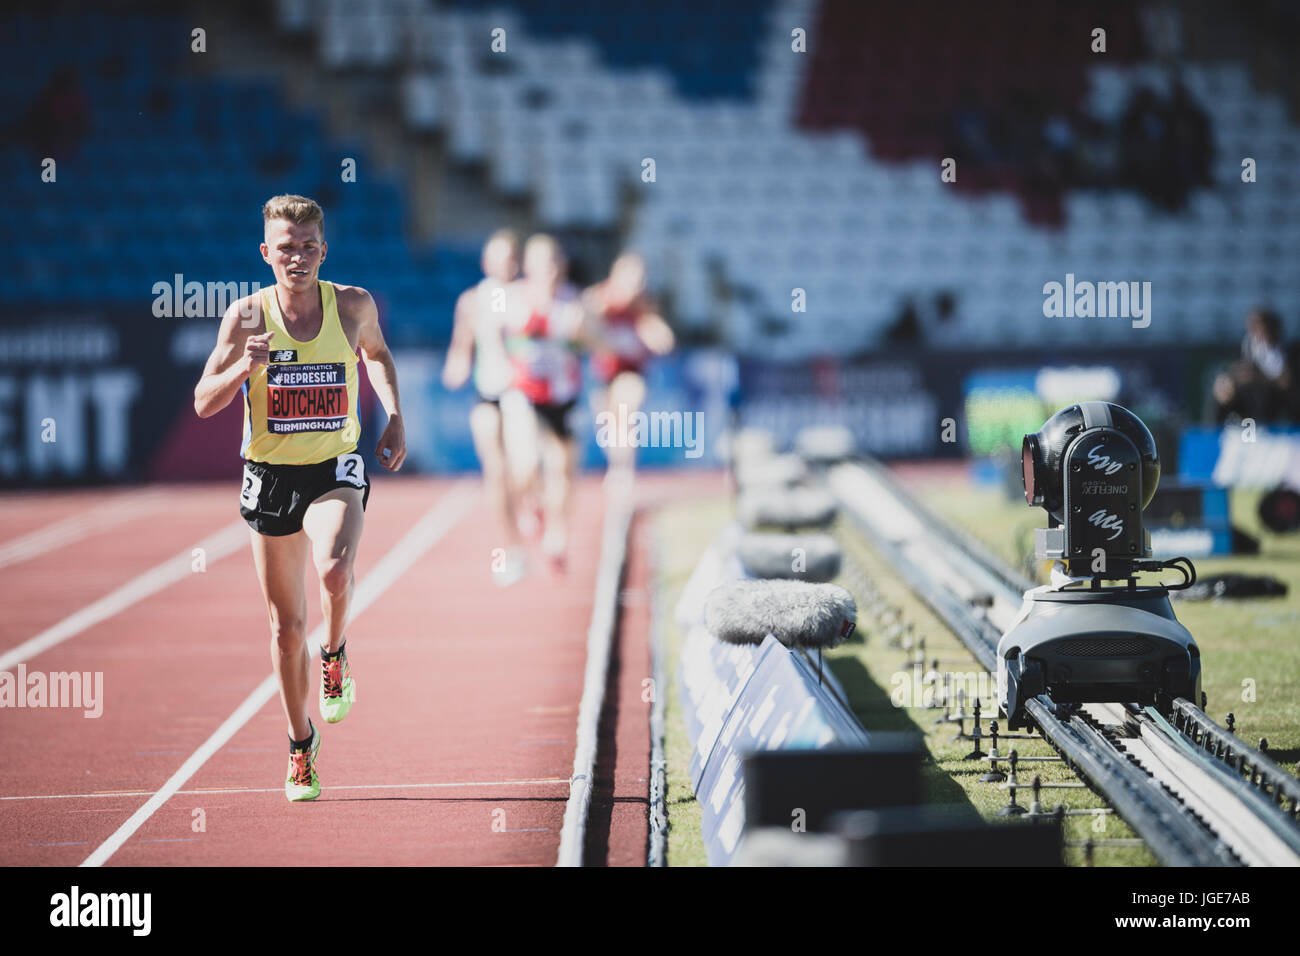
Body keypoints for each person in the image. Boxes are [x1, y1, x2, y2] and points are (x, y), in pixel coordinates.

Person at [193, 194, 406, 801]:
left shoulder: (353, 305)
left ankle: (334, 652)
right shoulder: (245, 318)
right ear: (266, 253)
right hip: (270, 475)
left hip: (333, 466)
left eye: (309, 246)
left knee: (335, 567)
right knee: (286, 629)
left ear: (323, 250)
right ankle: (299, 744)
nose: (299, 257)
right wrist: (243, 371)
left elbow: (379, 358)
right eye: (286, 247)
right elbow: (204, 401)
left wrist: (393, 416)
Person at [442, 229, 527, 585]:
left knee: (524, 470)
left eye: (509, 257)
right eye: (496, 258)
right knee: (496, 470)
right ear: (486, 262)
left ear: (517, 262)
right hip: (487, 395)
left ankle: (529, 503)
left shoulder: (528, 295)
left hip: (524, 395)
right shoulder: (473, 300)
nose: (503, 264)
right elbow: (462, 345)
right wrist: (456, 367)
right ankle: (511, 548)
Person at [500, 235, 586, 570]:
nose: (550, 270)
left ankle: (558, 532)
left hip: (563, 394)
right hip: (524, 391)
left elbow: (591, 341)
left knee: (563, 467)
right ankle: (531, 499)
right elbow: (501, 335)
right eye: (542, 263)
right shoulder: (512, 299)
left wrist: (581, 334)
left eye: (555, 262)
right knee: (525, 465)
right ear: (529, 267)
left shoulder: (574, 301)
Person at [583, 252, 674, 480]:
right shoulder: (600, 299)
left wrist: (653, 332)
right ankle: (619, 466)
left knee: (627, 409)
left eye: (640, 280)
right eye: (633, 279)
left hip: (631, 372)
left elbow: (662, 337)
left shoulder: (644, 306)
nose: (637, 285)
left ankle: (623, 474)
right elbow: (583, 324)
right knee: (610, 431)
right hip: (602, 376)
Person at [1209, 307, 1293, 425]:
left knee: (1260, 392)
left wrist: (1259, 376)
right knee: (1222, 390)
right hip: (1246, 398)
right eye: (1252, 326)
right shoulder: (1246, 348)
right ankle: (1213, 435)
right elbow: (1235, 370)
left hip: (1274, 398)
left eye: (1258, 325)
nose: (1254, 331)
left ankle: (1262, 431)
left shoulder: (1287, 352)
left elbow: (1285, 382)